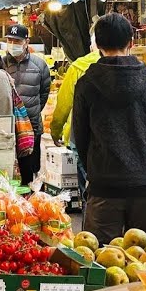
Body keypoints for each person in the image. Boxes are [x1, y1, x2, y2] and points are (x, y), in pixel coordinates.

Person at [73, 13, 146, 240]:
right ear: (131, 43)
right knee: (145, 261)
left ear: (98, 45)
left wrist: (95, 168)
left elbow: (81, 138)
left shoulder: (87, 83)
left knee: (104, 263)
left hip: (105, 186)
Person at [49, 46, 101, 197]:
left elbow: (64, 103)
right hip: (108, 139)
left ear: (93, 46)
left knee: (84, 186)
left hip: (79, 134)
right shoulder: (126, 68)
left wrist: (55, 130)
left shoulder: (78, 66)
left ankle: (87, 210)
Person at [4, 24, 52, 186]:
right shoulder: (1, 65)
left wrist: (31, 110)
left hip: (32, 127)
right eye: (9, 40)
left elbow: (44, 92)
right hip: (8, 128)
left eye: (16, 41)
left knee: (29, 172)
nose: (12, 44)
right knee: (7, 172)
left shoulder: (40, 65)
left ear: (26, 41)